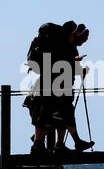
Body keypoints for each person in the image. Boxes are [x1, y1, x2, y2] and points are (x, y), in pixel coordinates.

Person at [23, 21, 94, 156]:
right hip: (52, 86)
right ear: (75, 33)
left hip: (56, 85)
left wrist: (77, 66)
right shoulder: (62, 46)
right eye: (83, 37)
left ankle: (53, 144)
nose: (84, 41)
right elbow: (62, 65)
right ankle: (43, 145)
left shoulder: (63, 46)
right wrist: (76, 65)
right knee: (51, 115)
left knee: (60, 114)